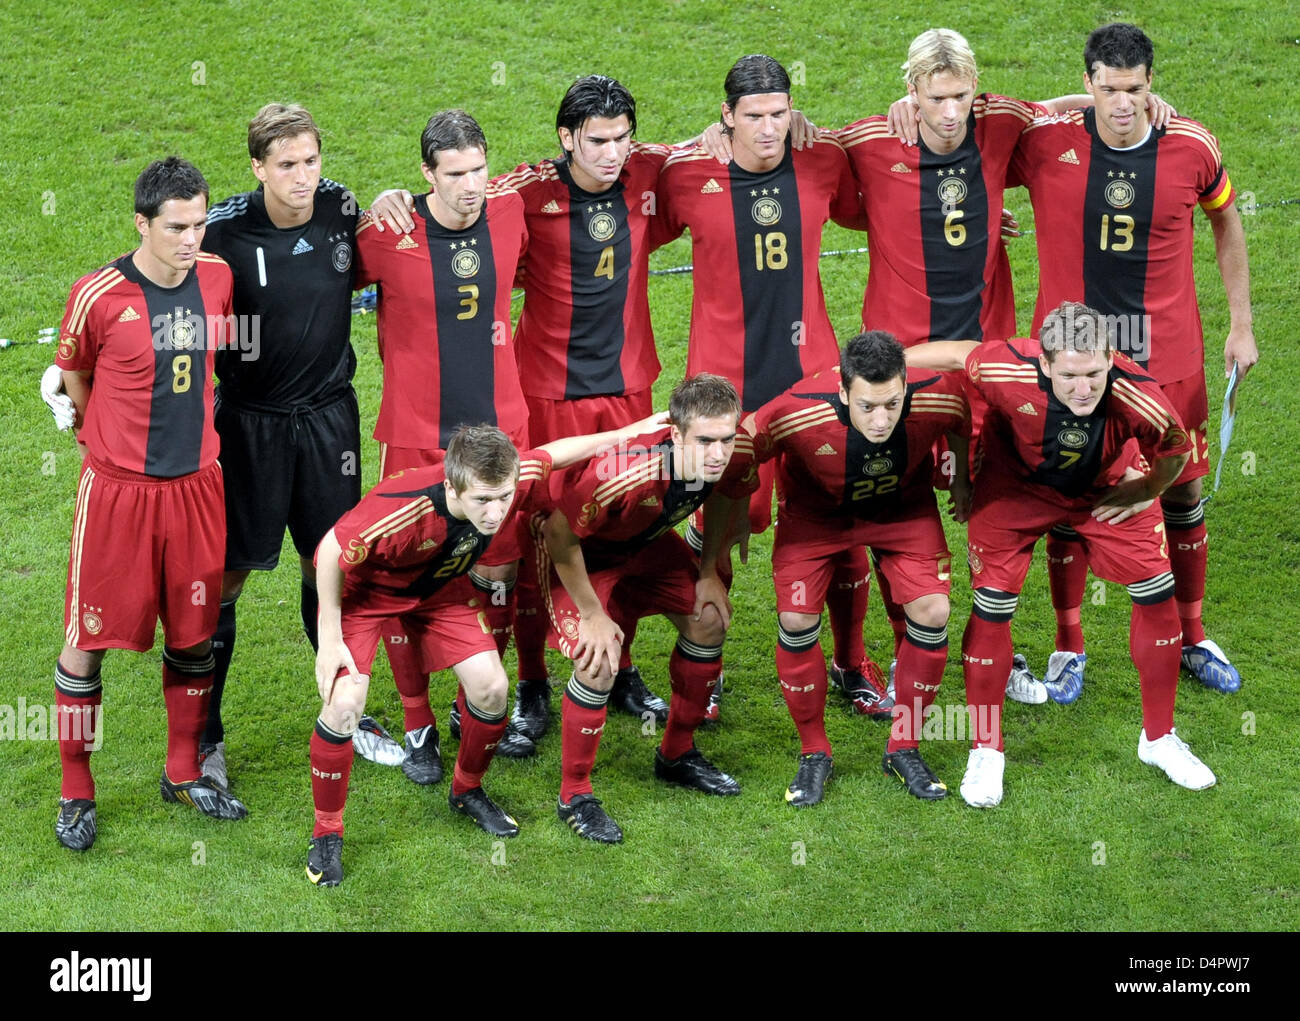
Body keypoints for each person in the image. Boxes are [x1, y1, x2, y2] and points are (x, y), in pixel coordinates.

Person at [1008, 23, 1258, 701]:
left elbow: (1226, 221)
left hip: (1168, 355)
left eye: (1137, 89)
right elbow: (966, 130)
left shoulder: (1193, 146)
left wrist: (1241, 325)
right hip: (1070, 361)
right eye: (1109, 89)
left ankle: (1192, 632)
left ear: (1153, 84)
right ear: (1088, 83)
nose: (1124, 104)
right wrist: (1061, 105)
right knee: (1068, 495)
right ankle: (1068, 645)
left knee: (1181, 488)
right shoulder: (1044, 139)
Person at [306, 414, 665, 886]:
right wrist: (329, 638)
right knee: (345, 707)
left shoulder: (506, 479)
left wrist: (624, 434)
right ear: (453, 490)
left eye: (504, 498)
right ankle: (326, 833)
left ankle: (467, 790)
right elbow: (331, 549)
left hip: (438, 592)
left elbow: (555, 453)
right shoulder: (404, 506)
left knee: (493, 690)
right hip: (367, 599)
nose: (496, 513)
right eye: (482, 501)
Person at [906, 301, 1217, 808]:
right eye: (1070, 375)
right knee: (991, 606)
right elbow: (956, 355)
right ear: (1045, 364)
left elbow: (1176, 452)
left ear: (1110, 359)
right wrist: (887, 364)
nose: (1083, 388)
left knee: (1158, 594)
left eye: (1095, 373)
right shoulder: (1005, 366)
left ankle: (1158, 739)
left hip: (1107, 487)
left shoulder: (1142, 398)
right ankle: (987, 748)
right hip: (1016, 489)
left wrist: (1144, 491)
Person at [655, 54, 889, 722]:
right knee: (726, 525)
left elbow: (890, 204)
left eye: (780, 114)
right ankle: (709, 662)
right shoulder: (685, 172)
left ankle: (850, 660)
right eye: (753, 116)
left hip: (814, 384)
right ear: (725, 116)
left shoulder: (822, 159)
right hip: (725, 397)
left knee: (837, 520)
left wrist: (986, 230)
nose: (768, 130)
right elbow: (618, 182)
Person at [198, 103, 403, 794]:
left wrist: (392, 197)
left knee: (335, 567)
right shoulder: (222, 231)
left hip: (327, 424)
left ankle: (347, 709)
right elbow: (158, 281)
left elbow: (396, 241)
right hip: (249, 426)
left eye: (311, 160)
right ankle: (205, 732)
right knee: (227, 577)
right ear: (258, 166)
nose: (302, 176)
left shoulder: (340, 209)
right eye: (287, 164)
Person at [48, 156, 248, 851]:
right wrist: (101, 437)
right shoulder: (98, 295)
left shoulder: (218, 279)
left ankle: (184, 769)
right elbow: (74, 373)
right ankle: (77, 789)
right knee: (87, 644)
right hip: (119, 499)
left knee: (195, 635)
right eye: (175, 227)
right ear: (142, 223)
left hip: (196, 489)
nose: (191, 239)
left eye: (198, 224)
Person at [353, 109, 535, 781]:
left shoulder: (512, 208)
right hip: (415, 439)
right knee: (405, 579)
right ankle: (416, 722)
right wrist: (372, 201)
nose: (470, 186)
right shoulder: (387, 230)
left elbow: (604, 168)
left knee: (499, 571)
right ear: (426, 174)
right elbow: (313, 275)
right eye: (454, 174)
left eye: (479, 170)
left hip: (498, 433)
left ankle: (471, 703)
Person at [742, 332, 969, 805]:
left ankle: (903, 746)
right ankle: (814, 753)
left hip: (903, 511)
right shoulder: (793, 411)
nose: (881, 419)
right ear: (843, 392)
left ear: (906, 385)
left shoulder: (939, 393)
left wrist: (961, 481)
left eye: (892, 404)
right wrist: (740, 518)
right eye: (867, 406)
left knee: (933, 610)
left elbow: (961, 424)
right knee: (797, 620)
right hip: (815, 518)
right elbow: (740, 454)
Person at [538, 375, 757, 843]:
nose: (718, 453)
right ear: (675, 434)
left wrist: (707, 569)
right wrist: (594, 614)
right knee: (598, 662)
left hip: (643, 545)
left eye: (726, 438)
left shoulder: (732, 451)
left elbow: (723, 494)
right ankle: (574, 795)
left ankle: (676, 754)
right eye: (705, 442)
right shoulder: (623, 472)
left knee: (710, 620)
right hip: (581, 555)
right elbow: (558, 535)